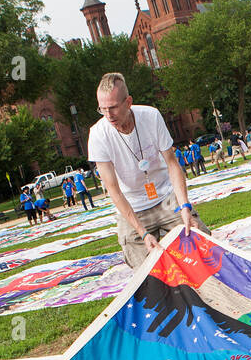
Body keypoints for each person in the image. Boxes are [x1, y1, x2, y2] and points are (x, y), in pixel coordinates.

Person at [87, 71, 209, 270]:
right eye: (103, 109)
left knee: (201, 241)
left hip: (165, 196)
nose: (108, 115)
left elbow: (172, 164)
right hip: (133, 207)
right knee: (146, 270)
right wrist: (142, 232)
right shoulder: (98, 134)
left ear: (128, 102)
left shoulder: (151, 116)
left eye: (113, 108)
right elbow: (113, 189)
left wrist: (185, 207)